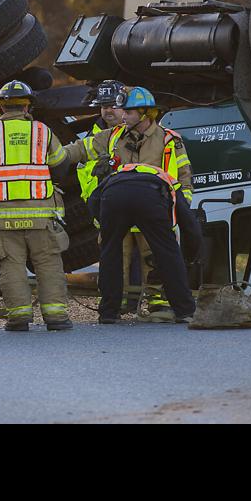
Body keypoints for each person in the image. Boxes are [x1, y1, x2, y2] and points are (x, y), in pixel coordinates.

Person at [48, 86, 196, 324]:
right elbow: (78, 150)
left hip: (154, 206)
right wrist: (47, 155)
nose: (122, 116)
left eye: (127, 111)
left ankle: (165, 305)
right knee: (112, 257)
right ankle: (111, 310)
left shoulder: (169, 139)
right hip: (121, 207)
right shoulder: (113, 136)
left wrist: (179, 208)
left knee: (161, 257)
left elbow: (184, 176)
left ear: (146, 113)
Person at [0, 79, 72, 331]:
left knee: (11, 266)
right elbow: (60, 164)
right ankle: (56, 318)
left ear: (0, 108)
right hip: (41, 215)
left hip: (4, 218)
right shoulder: (42, 132)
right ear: (28, 107)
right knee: (48, 265)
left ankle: (19, 318)